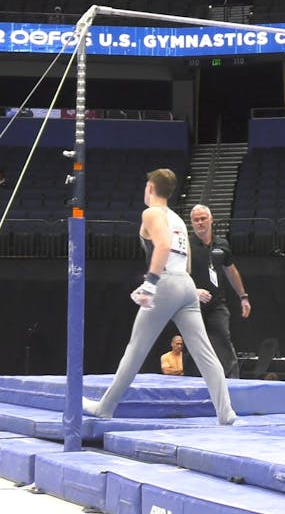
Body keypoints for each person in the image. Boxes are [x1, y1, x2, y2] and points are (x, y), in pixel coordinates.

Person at [83, 169, 236, 425]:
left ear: (151, 188)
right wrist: (175, 285)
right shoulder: (178, 219)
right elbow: (185, 263)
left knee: (135, 349)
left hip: (165, 284)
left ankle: (105, 408)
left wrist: (151, 285)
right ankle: (226, 411)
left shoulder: (152, 213)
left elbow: (163, 245)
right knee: (205, 353)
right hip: (185, 285)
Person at [189, 204, 252, 378]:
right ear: (191, 223)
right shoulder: (186, 245)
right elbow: (178, 273)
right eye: (196, 220)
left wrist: (243, 296)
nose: (200, 222)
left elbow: (231, 270)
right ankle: (191, 382)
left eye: (203, 219)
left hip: (217, 304)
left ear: (211, 220)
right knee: (192, 344)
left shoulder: (222, 244)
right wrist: (194, 291)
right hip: (191, 304)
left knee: (223, 339)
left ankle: (232, 382)